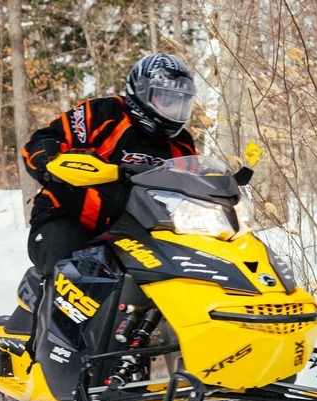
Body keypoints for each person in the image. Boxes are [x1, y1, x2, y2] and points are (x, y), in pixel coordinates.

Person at [22, 53, 198, 275]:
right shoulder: (102, 114)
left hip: (138, 233)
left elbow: (192, 187)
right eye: (167, 100)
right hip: (69, 217)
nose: (174, 110)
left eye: (180, 102)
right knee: (74, 274)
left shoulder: (182, 144)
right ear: (142, 91)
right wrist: (47, 161)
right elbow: (42, 141)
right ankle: (50, 305)